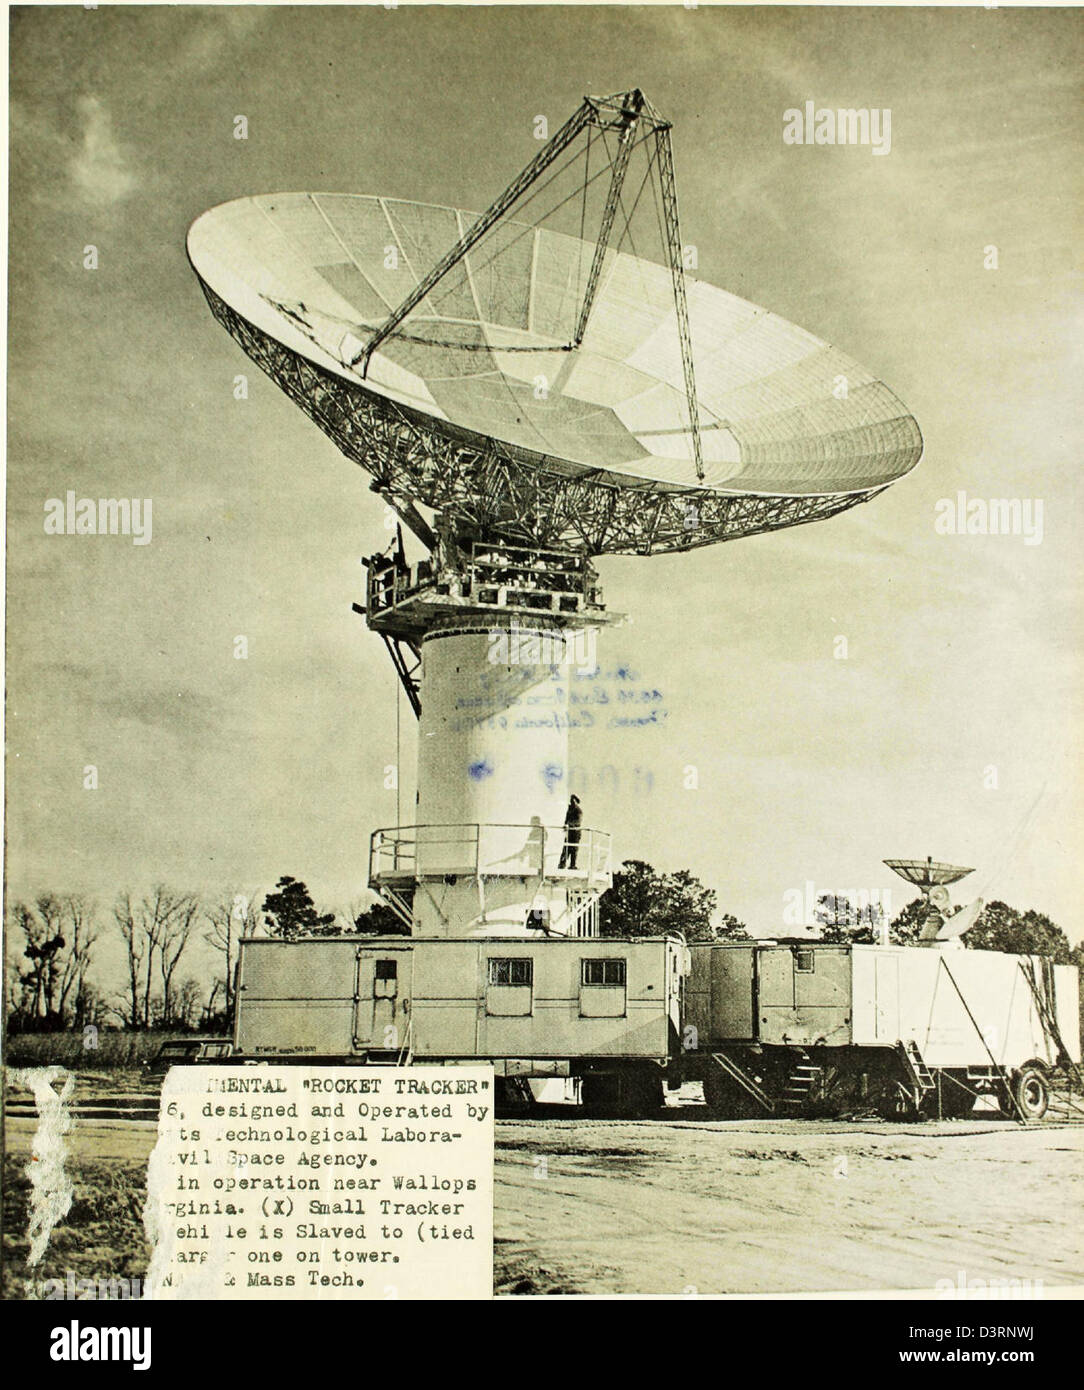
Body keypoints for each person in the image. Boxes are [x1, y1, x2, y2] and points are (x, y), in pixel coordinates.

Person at [558, 794, 582, 870]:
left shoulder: (578, 811)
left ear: (576, 801)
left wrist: (569, 825)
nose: (572, 801)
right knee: (566, 847)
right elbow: (566, 819)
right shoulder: (569, 810)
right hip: (570, 832)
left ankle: (572, 865)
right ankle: (562, 864)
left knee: (573, 849)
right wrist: (565, 825)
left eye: (573, 800)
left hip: (576, 832)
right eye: (571, 800)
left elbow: (578, 821)